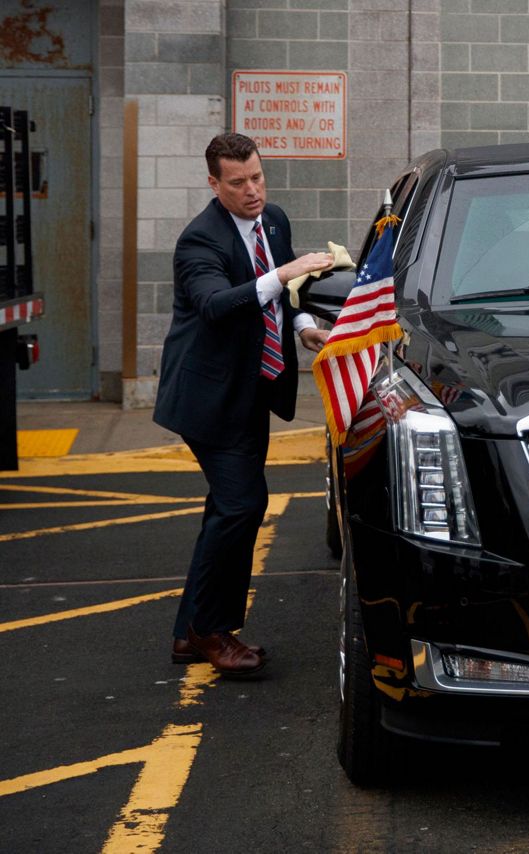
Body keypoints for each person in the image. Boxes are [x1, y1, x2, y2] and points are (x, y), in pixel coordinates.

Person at [154, 133, 334, 675]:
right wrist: (285, 273)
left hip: (254, 390)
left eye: (257, 176)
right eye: (238, 182)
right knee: (241, 505)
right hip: (208, 398)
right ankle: (212, 633)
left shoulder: (273, 220)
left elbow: (286, 296)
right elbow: (215, 305)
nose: (252, 190)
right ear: (215, 184)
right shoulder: (198, 242)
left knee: (226, 509)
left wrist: (303, 326)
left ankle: (191, 632)